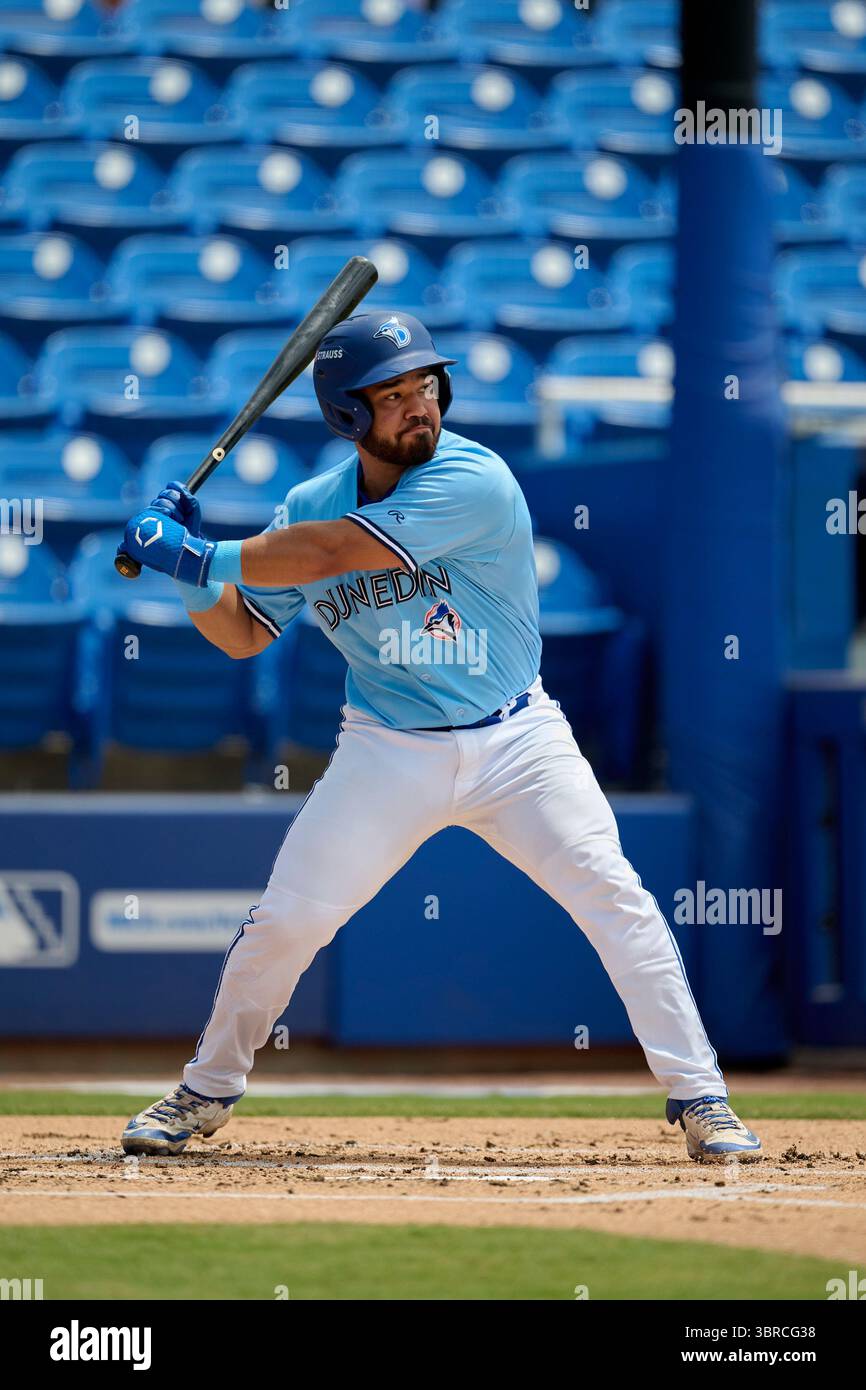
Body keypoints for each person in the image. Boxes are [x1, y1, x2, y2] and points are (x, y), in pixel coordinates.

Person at [116, 310, 762, 1165]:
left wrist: (199, 554)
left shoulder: (474, 480)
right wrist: (188, 577)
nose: (420, 405)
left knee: (617, 901)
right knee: (284, 923)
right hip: (388, 748)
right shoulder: (309, 505)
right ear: (349, 414)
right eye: (393, 394)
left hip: (518, 742)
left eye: (427, 385)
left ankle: (701, 1098)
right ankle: (205, 1089)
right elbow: (243, 634)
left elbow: (327, 556)